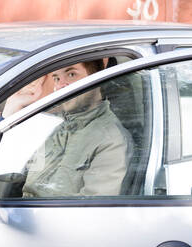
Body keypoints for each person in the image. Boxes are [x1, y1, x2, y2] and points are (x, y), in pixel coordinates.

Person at [19, 60, 130, 198]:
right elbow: (10, 175)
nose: (60, 86)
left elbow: (92, 210)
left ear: (97, 78)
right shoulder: (51, 126)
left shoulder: (111, 140)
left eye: (71, 74)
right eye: (57, 78)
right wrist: (14, 106)